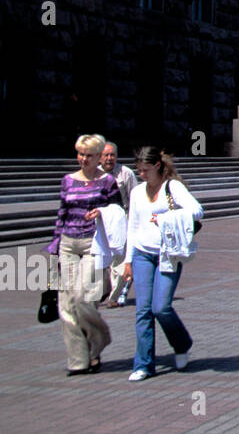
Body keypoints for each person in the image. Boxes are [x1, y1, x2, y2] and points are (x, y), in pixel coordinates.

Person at [124, 146, 202, 381]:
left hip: (168, 254)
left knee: (161, 307)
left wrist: (166, 218)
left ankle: (182, 343)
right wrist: (128, 260)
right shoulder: (137, 192)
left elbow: (198, 211)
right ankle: (144, 364)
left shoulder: (172, 187)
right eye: (138, 170)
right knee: (143, 311)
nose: (141, 174)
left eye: (145, 170)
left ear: (157, 166)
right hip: (141, 254)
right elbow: (133, 226)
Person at [49, 134, 120, 375]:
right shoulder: (67, 180)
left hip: (93, 243)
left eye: (88, 155)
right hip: (68, 243)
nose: (83, 159)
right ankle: (78, 360)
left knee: (82, 299)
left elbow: (117, 211)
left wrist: (101, 212)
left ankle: (99, 341)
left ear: (99, 156)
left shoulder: (108, 181)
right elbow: (63, 213)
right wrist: (56, 246)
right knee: (67, 304)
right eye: (80, 154)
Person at [99, 140, 137, 308]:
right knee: (101, 262)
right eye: (105, 155)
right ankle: (104, 291)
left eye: (112, 155)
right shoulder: (94, 174)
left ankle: (114, 297)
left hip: (122, 221)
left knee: (119, 262)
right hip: (101, 223)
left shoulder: (125, 173)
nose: (109, 158)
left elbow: (135, 198)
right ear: (99, 157)